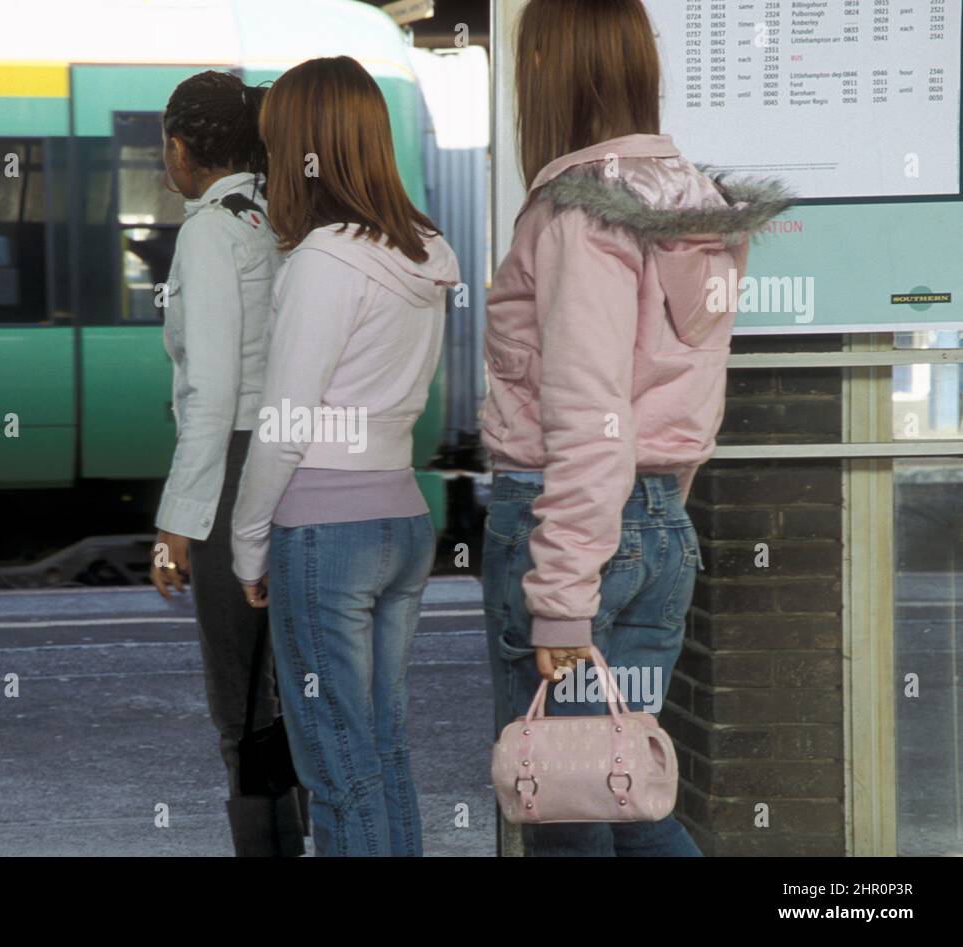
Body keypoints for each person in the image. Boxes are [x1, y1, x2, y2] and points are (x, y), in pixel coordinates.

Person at [481, 0, 792, 856]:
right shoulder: (695, 209)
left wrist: (562, 601)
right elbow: (685, 399)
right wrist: (656, 512)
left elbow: (589, 413)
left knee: (568, 800)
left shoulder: (582, 212)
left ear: (549, 71)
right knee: (621, 783)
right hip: (654, 525)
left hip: (575, 526)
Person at [230, 56, 459, 857]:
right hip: (400, 516)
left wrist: (248, 540)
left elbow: (287, 421)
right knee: (383, 749)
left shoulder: (326, 260)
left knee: (335, 762)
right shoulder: (422, 251)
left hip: (325, 531)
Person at [150, 70, 304, 857]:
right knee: (281, 687)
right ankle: (294, 835)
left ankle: (264, 848)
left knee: (237, 693)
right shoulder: (281, 215)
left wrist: (178, 524)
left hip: (235, 465)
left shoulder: (209, 231)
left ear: (181, 150)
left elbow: (208, 389)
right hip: (295, 459)